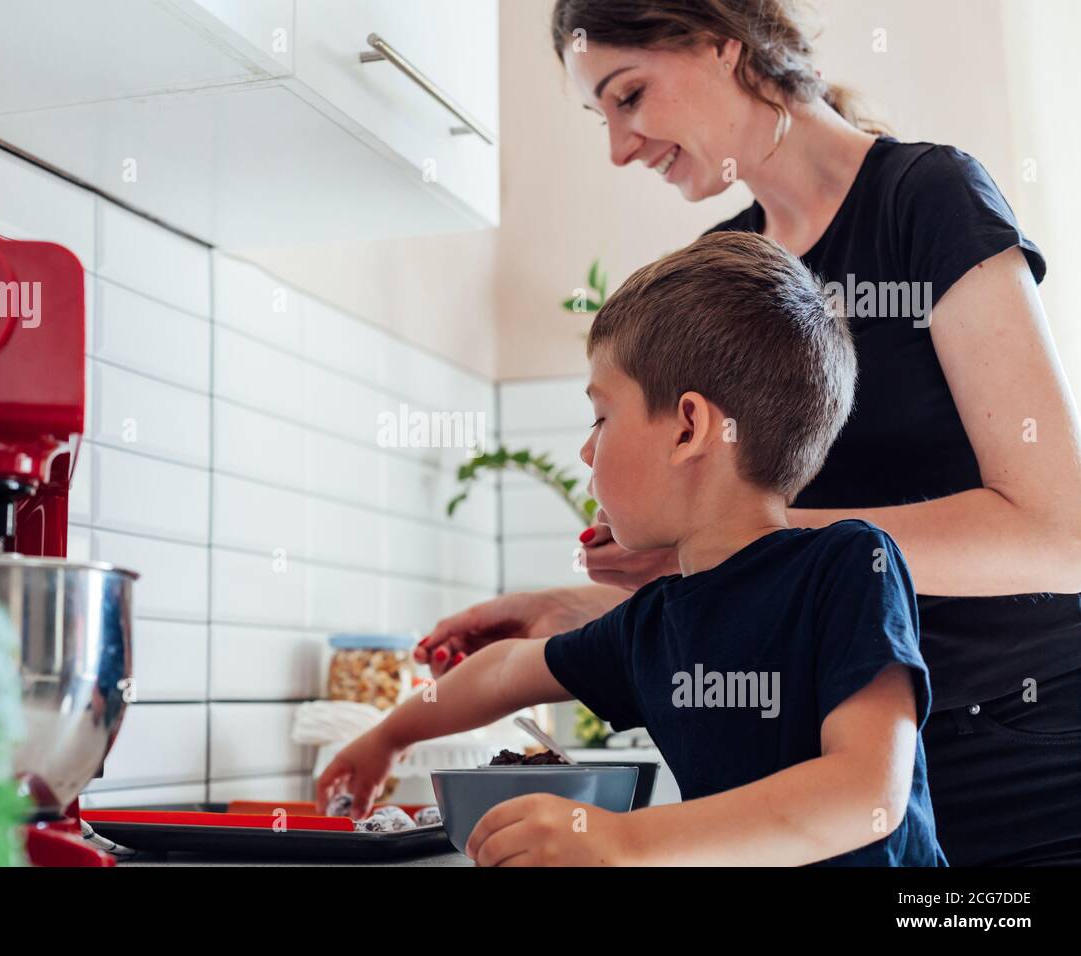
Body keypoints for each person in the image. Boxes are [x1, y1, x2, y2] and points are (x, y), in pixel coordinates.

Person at [419, 0, 1081, 866]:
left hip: (1017, 757)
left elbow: (1057, 534)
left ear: (719, 42)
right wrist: (574, 615)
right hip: (814, 776)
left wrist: (750, 544)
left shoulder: (928, 200)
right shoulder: (734, 268)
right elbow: (756, 565)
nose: (620, 146)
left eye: (628, 95)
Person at [318, 232, 946, 866]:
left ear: (686, 428)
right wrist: (385, 739)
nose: (587, 451)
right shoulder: (655, 621)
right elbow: (507, 670)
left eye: (600, 418)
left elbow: (866, 794)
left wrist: (621, 840)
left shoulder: (848, 567)